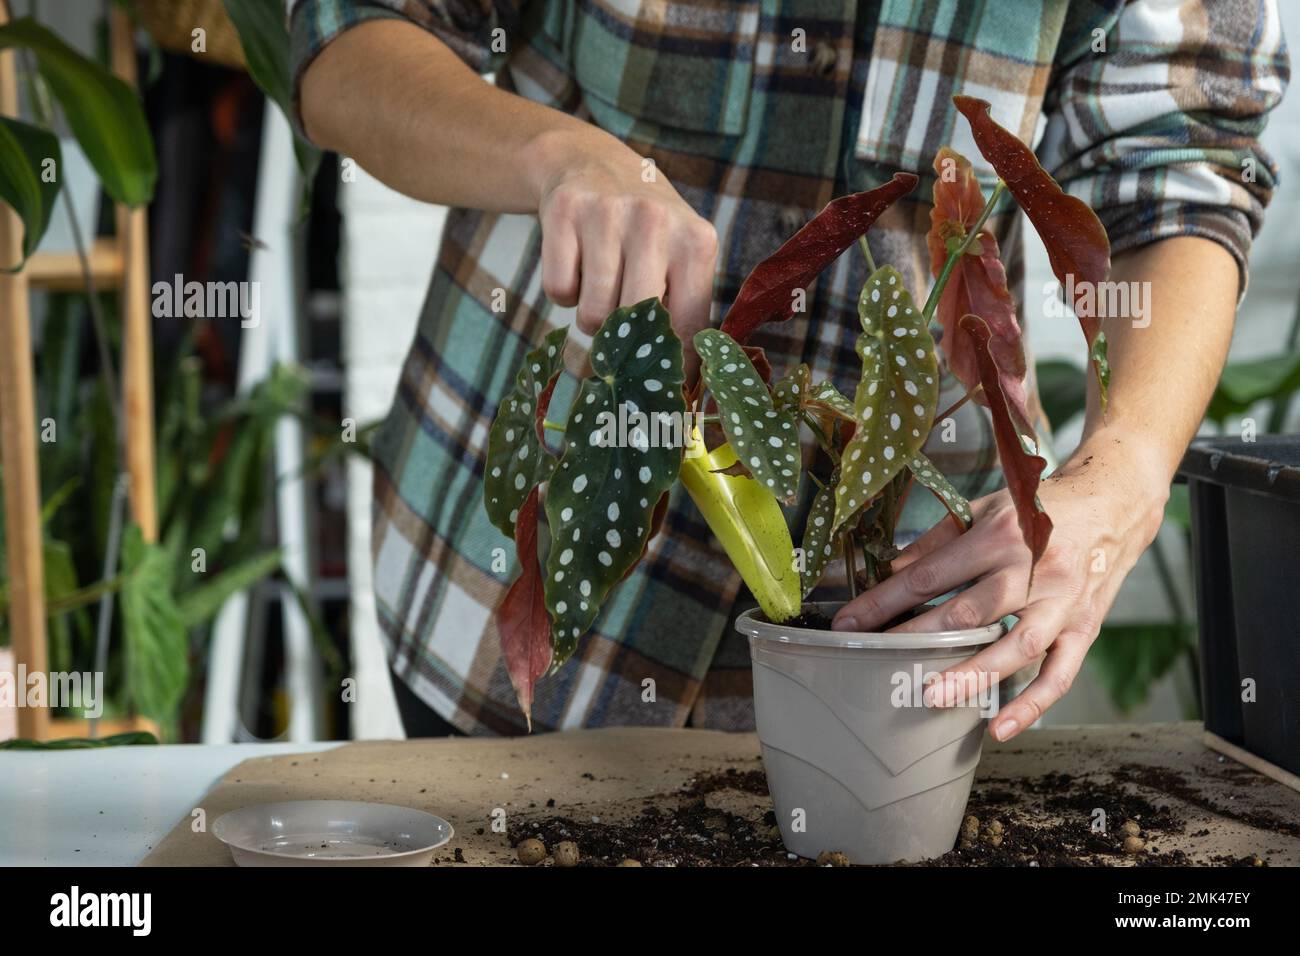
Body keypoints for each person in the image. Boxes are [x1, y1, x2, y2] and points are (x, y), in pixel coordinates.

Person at [291, 0, 1288, 737]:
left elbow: (1179, 166)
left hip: (893, 650)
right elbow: (349, 38)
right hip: (514, 609)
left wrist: (1124, 467)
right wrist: (556, 155)